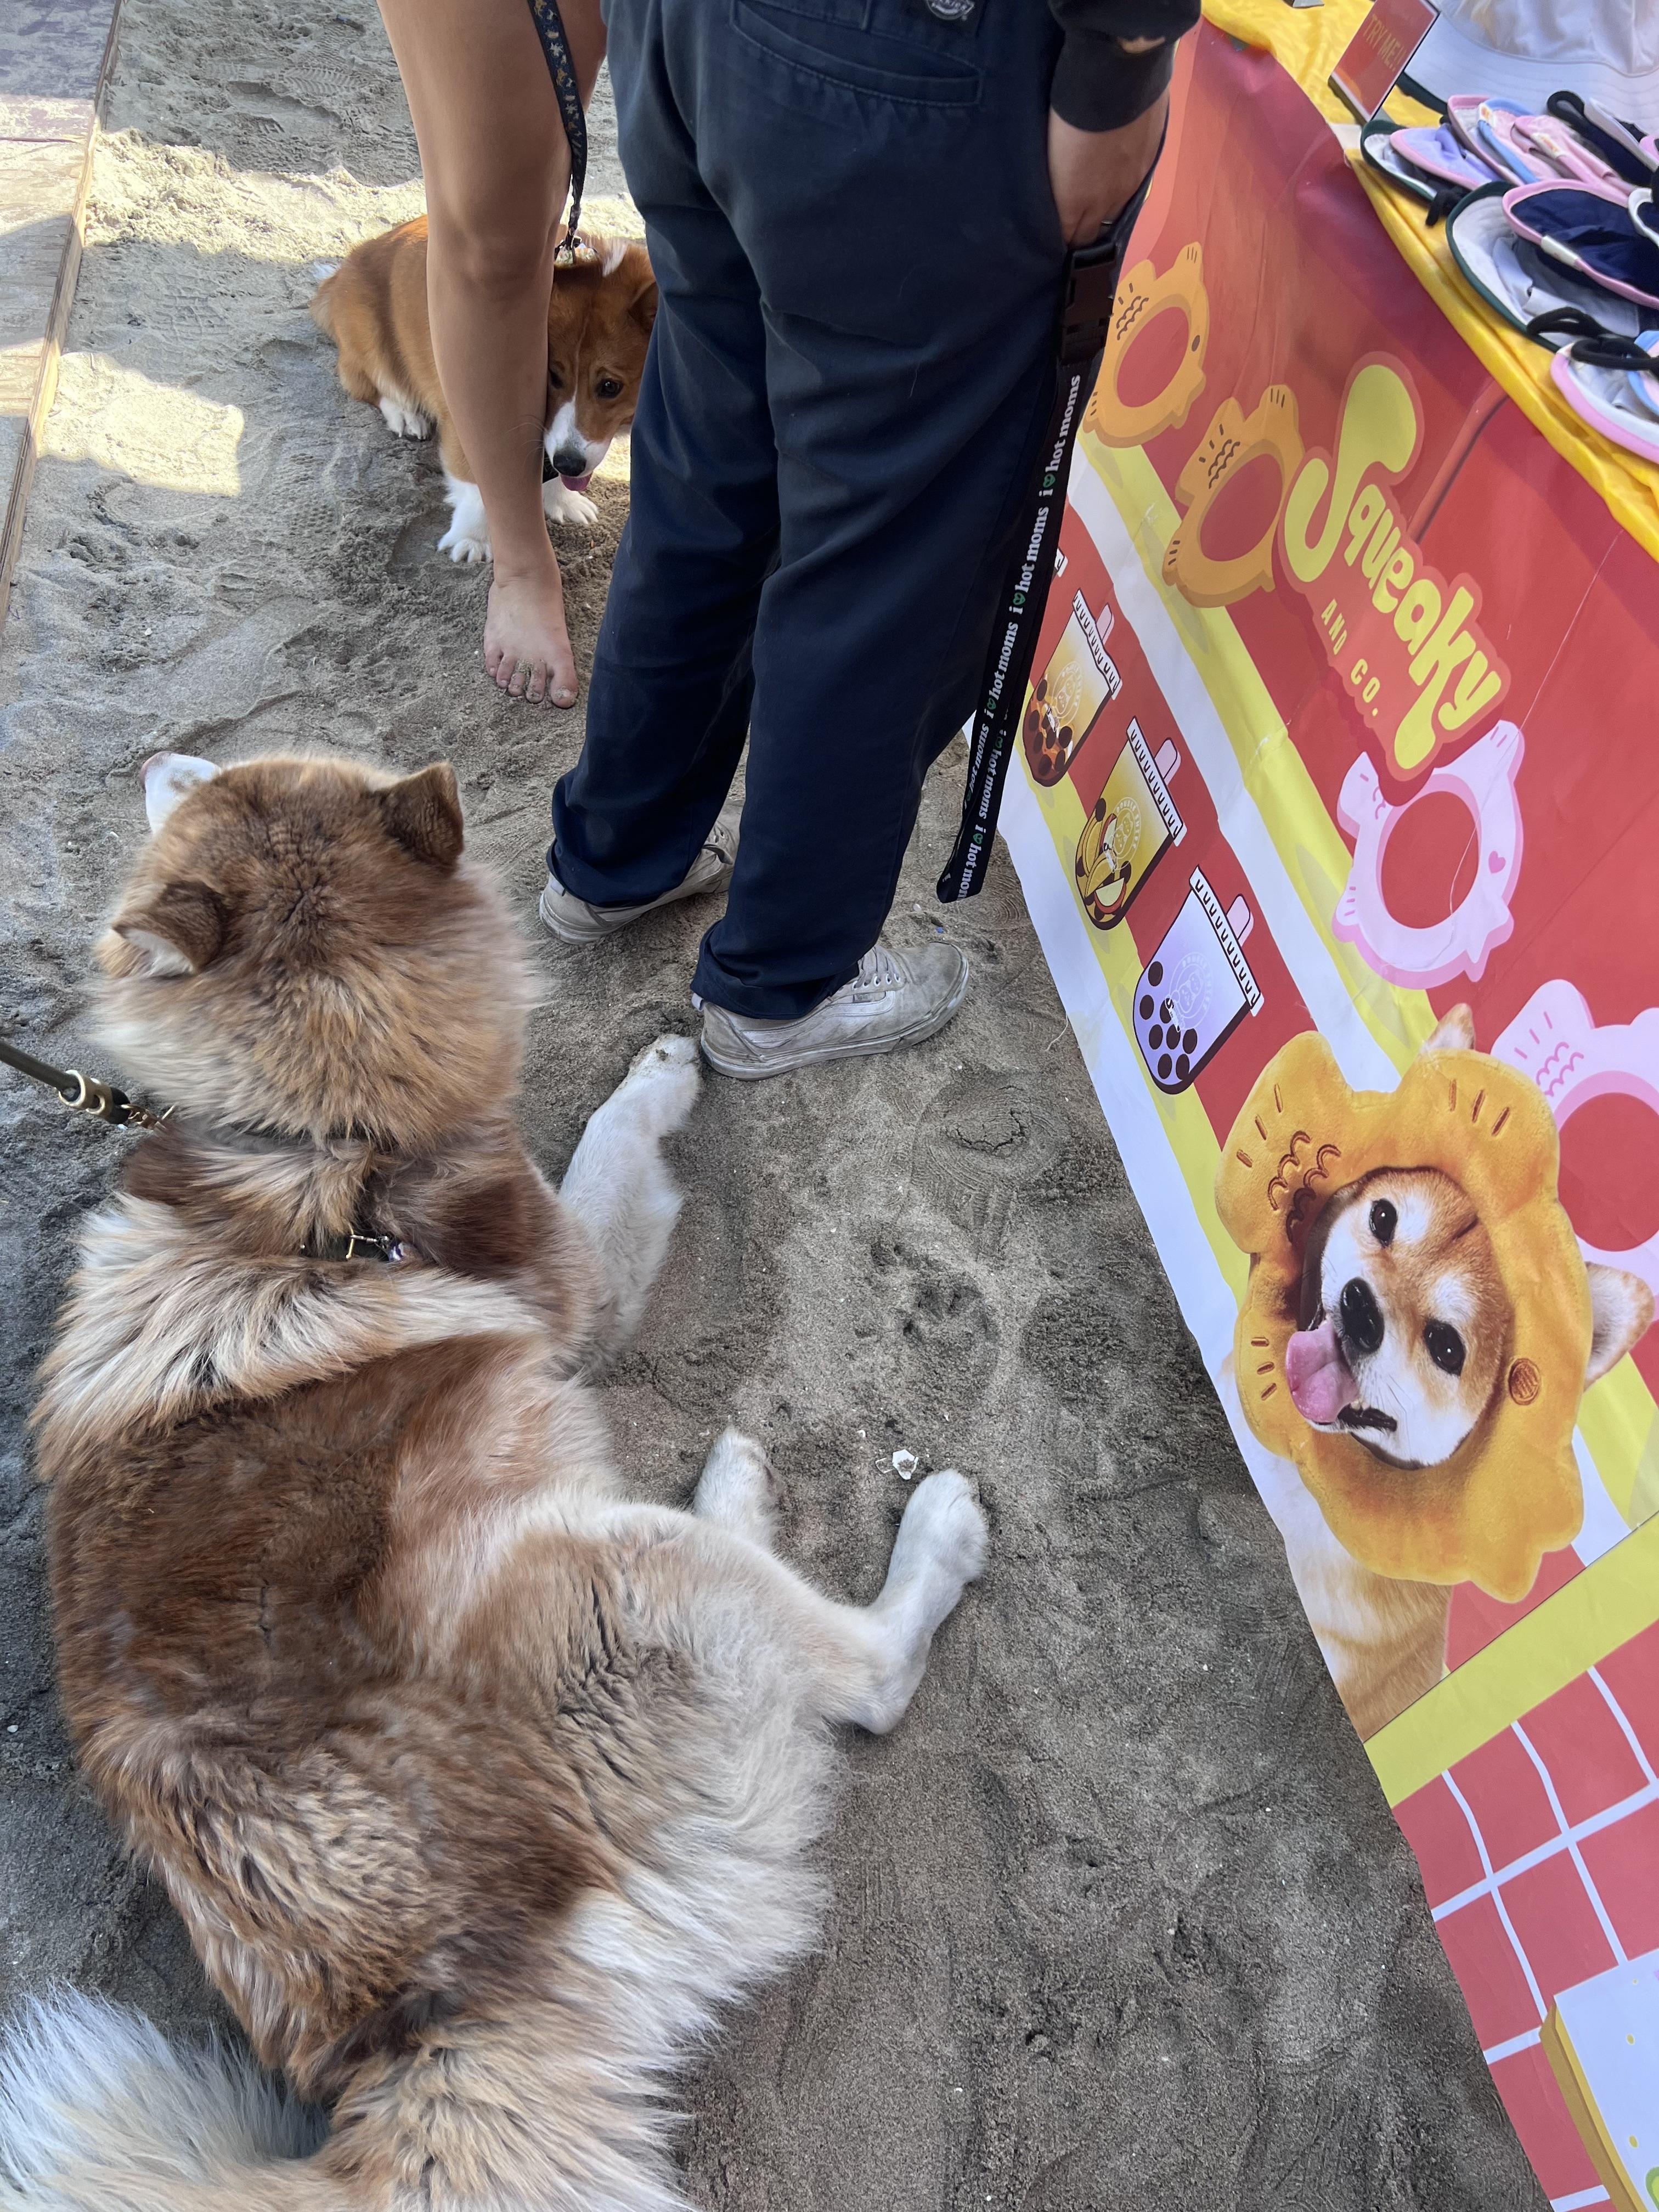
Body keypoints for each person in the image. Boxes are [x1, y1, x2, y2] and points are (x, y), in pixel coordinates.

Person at [381, 0, 1198, 1068]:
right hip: (926, 63)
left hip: (705, 37)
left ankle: (613, 860)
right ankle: (783, 984)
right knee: (889, 549)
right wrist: (1119, 66)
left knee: (708, 454)